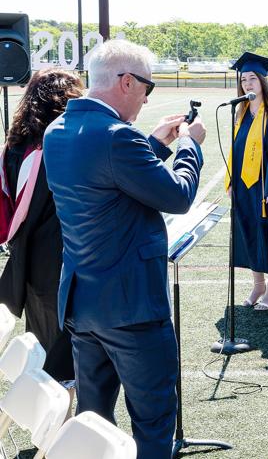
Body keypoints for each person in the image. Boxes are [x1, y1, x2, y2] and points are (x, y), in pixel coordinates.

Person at [42, 39, 205, 458]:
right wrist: (190, 145)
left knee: (94, 422)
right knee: (152, 421)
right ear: (127, 82)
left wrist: (154, 144)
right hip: (131, 309)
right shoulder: (117, 137)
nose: (146, 97)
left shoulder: (57, 130)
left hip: (83, 303)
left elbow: (105, 181)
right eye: (147, 88)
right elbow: (177, 196)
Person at [0, 69, 82, 384]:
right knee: (63, 363)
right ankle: (62, 430)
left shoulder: (16, 144)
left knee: (43, 352)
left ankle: (54, 424)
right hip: (60, 262)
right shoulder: (60, 146)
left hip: (27, 263)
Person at [225, 52, 268, 310]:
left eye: (252, 78)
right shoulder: (242, 111)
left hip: (263, 185)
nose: (248, 84)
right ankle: (257, 284)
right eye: (244, 79)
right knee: (247, 231)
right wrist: (230, 180)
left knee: (266, 234)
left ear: (262, 81)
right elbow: (236, 148)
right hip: (242, 185)